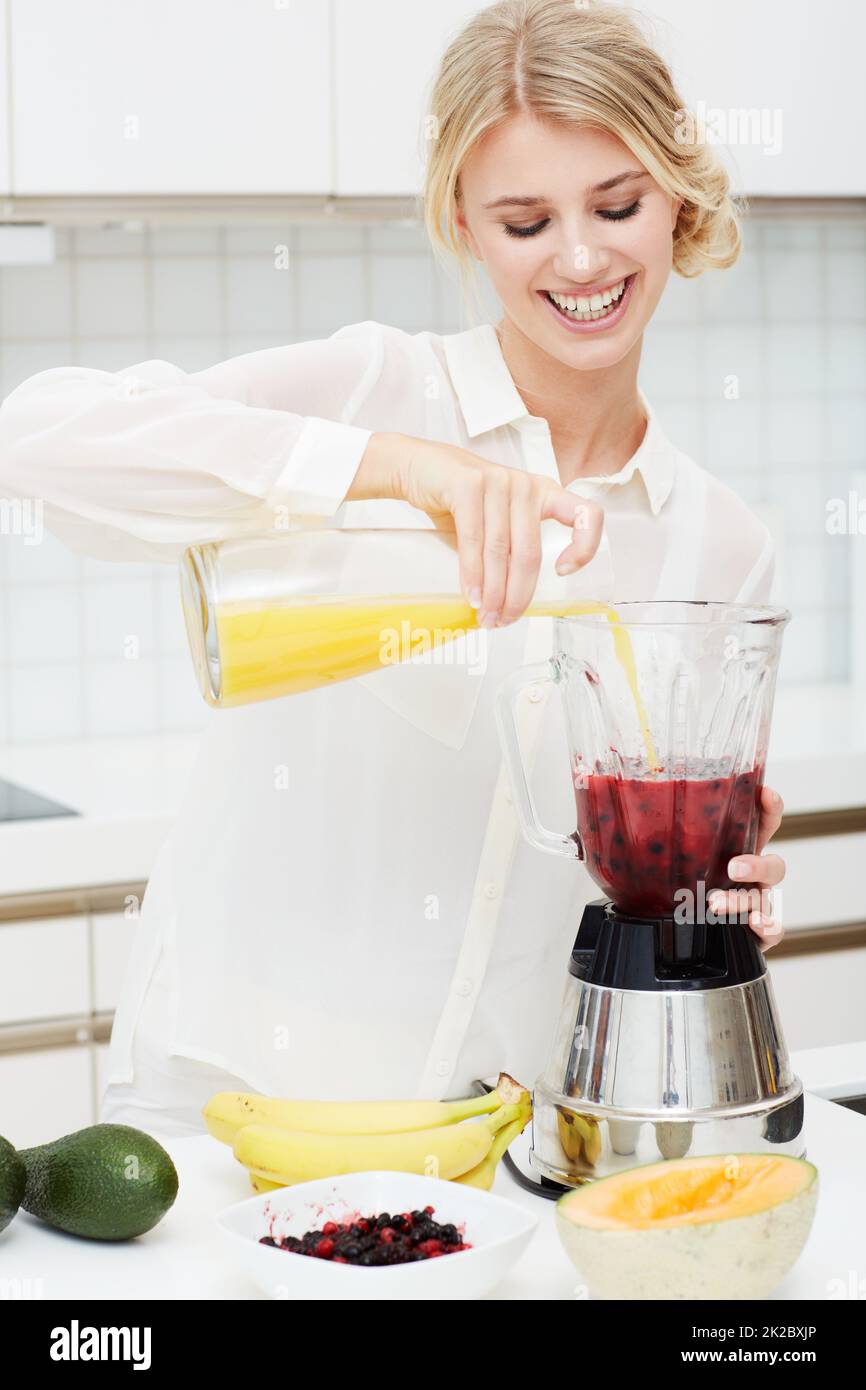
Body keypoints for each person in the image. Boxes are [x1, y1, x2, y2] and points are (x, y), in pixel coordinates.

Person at [0, 0, 785, 1137]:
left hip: (491, 1143)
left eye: (614, 205)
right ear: (464, 225)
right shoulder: (381, 392)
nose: (578, 257)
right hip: (239, 1114)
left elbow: (649, 889)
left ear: (676, 197)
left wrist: (716, 896)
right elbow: (36, 443)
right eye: (524, 222)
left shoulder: (721, 544)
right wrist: (387, 469)